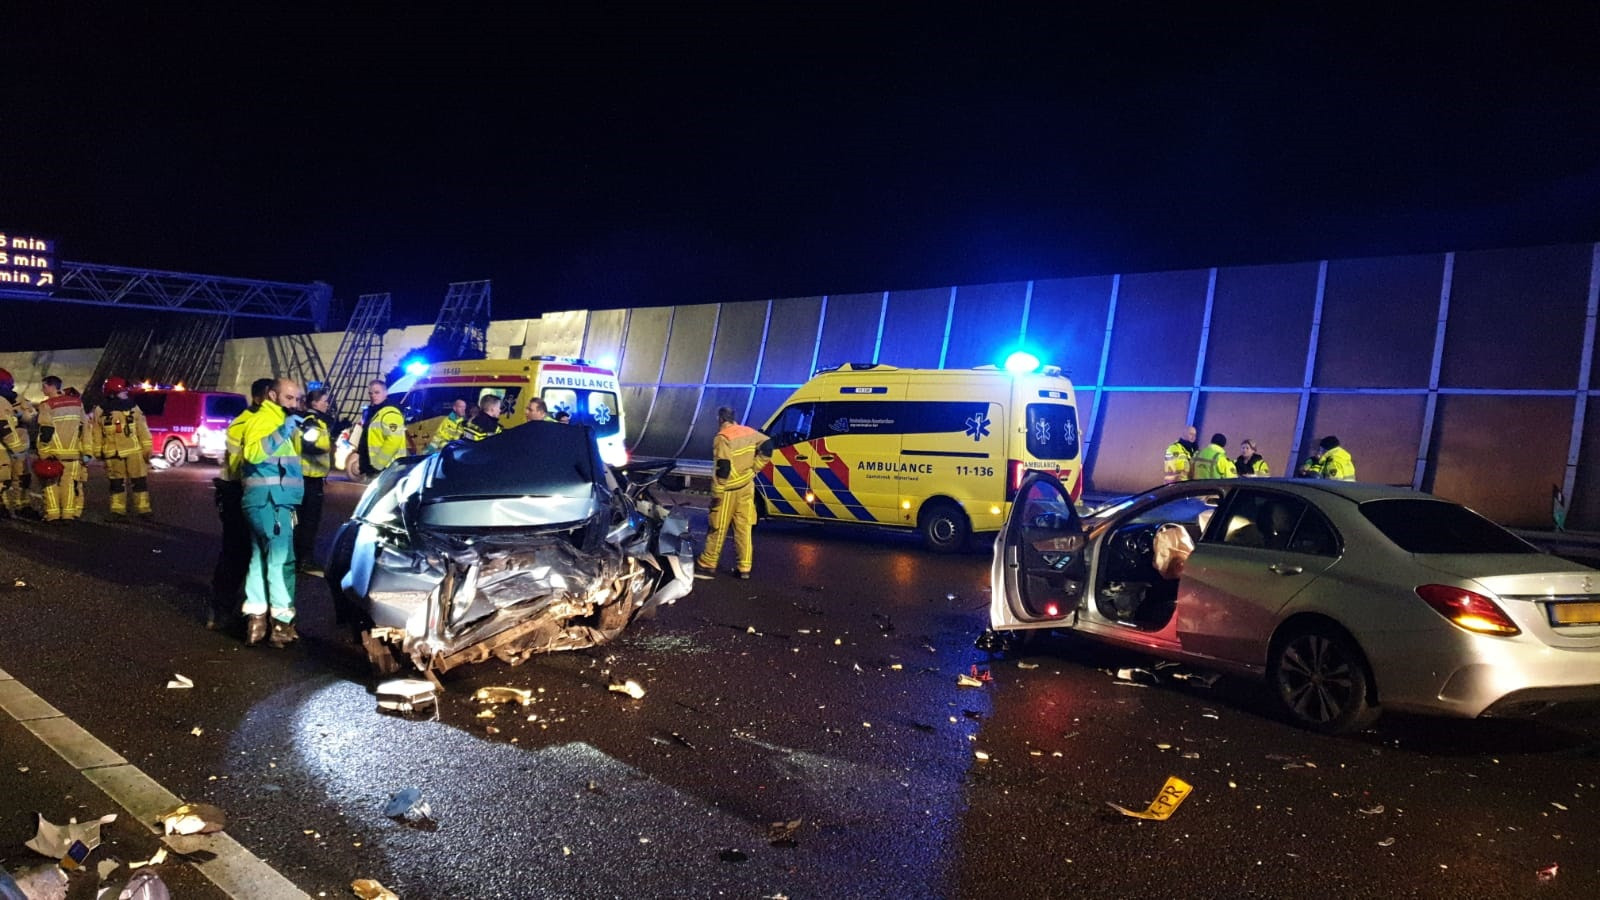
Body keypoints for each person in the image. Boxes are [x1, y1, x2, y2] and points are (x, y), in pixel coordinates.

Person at [239, 378, 305, 648]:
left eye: (298, 399)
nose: (294, 404)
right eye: (289, 398)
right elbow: (253, 454)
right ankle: (281, 624)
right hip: (272, 502)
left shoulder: (274, 419)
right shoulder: (268, 420)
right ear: (273, 395)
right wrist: (283, 430)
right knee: (281, 562)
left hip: (267, 501)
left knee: (259, 559)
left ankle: (256, 621)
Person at [211, 378, 272, 631]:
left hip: (246, 494)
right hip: (242, 494)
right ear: (261, 397)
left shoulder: (257, 422)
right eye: (275, 396)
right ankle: (226, 613)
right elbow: (242, 465)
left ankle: (232, 612)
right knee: (239, 555)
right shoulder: (250, 423)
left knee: (246, 556)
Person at [695, 406, 772, 580]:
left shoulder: (722, 438)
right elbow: (768, 446)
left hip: (728, 489)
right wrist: (755, 469)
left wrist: (717, 494)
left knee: (717, 527)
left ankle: (708, 563)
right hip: (746, 486)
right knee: (744, 528)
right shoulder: (748, 432)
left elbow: (723, 468)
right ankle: (744, 567)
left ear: (720, 419)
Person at [86, 377, 155, 517]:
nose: (125, 394)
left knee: (139, 482)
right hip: (113, 454)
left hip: (134, 452)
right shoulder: (101, 410)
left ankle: (143, 509)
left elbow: (143, 430)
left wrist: (147, 449)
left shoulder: (133, 408)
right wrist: (97, 451)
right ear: (113, 392)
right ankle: (118, 510)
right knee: (116, 484)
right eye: (123, 391)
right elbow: (97, 433)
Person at [33, 376, 87, 521]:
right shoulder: (77, 403)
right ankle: (68, 515)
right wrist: (87, 452)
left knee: (50, 485)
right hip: (74, 453)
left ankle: (53, 515)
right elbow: (85, 428)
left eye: (44, 386)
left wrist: (43, 452)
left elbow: (46, 430)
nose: (42, 389)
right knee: (69, 485)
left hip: (54, 453)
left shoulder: (46, 405)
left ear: (51, 387)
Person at [295, 388, 334, 575]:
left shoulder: (315, 421)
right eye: (324, 400)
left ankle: (299, 558)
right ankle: (304, 561)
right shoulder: (312, 422)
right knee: (309, 521)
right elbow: (311, 445)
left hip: (307, 477)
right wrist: (328, 444)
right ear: (314, 403)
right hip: (309, 478)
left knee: (303, 521)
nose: (327, 403)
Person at [0, 368, 34, 518]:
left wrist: (21, 415)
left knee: (22, 478)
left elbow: (32, 415)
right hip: (5, 448)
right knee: (3, 479)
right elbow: (3, 427)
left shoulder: (18, 399)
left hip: (21, 447)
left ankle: (23, 506)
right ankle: (4, 507)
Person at [357, 379, 406, 478]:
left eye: (377, 392)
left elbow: (394, 440)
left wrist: (378, 464)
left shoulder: (390, 413)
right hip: (377, 468)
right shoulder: (376, 412)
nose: (373, 396)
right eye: (370, 393)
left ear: (385, 393)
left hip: (386, 469)